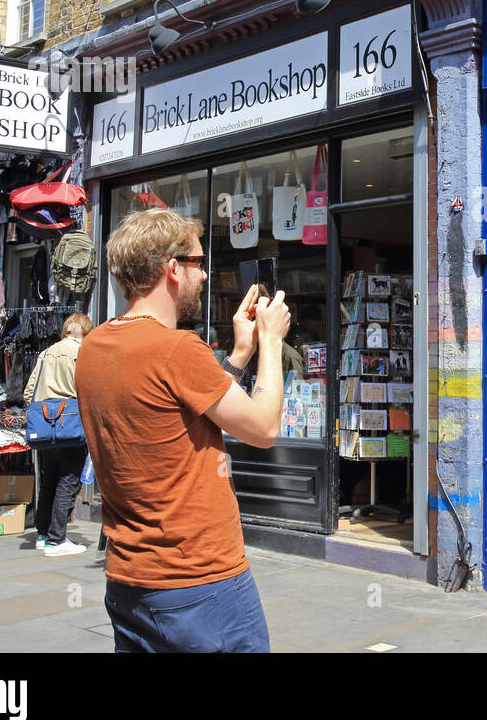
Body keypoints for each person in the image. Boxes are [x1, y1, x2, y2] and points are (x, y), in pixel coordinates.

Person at [75, 208, 290, 653]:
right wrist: (271, 344)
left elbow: (181, 412)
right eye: (198, 262)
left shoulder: (94, 347)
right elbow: (264, 427)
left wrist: (238, 357)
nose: (206, 275)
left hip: (130, 581)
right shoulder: (177, 349)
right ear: (172, 269)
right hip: (200, 582)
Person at [24, 312, 94, 556]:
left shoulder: (45, 353)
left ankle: (42, 534)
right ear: (85, 332)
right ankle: (57, 538)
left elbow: (29, 392)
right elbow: (88, 388)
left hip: (45, 424)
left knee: (49, 478)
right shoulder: (83, 353)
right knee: (69, 479)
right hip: (72, 422)